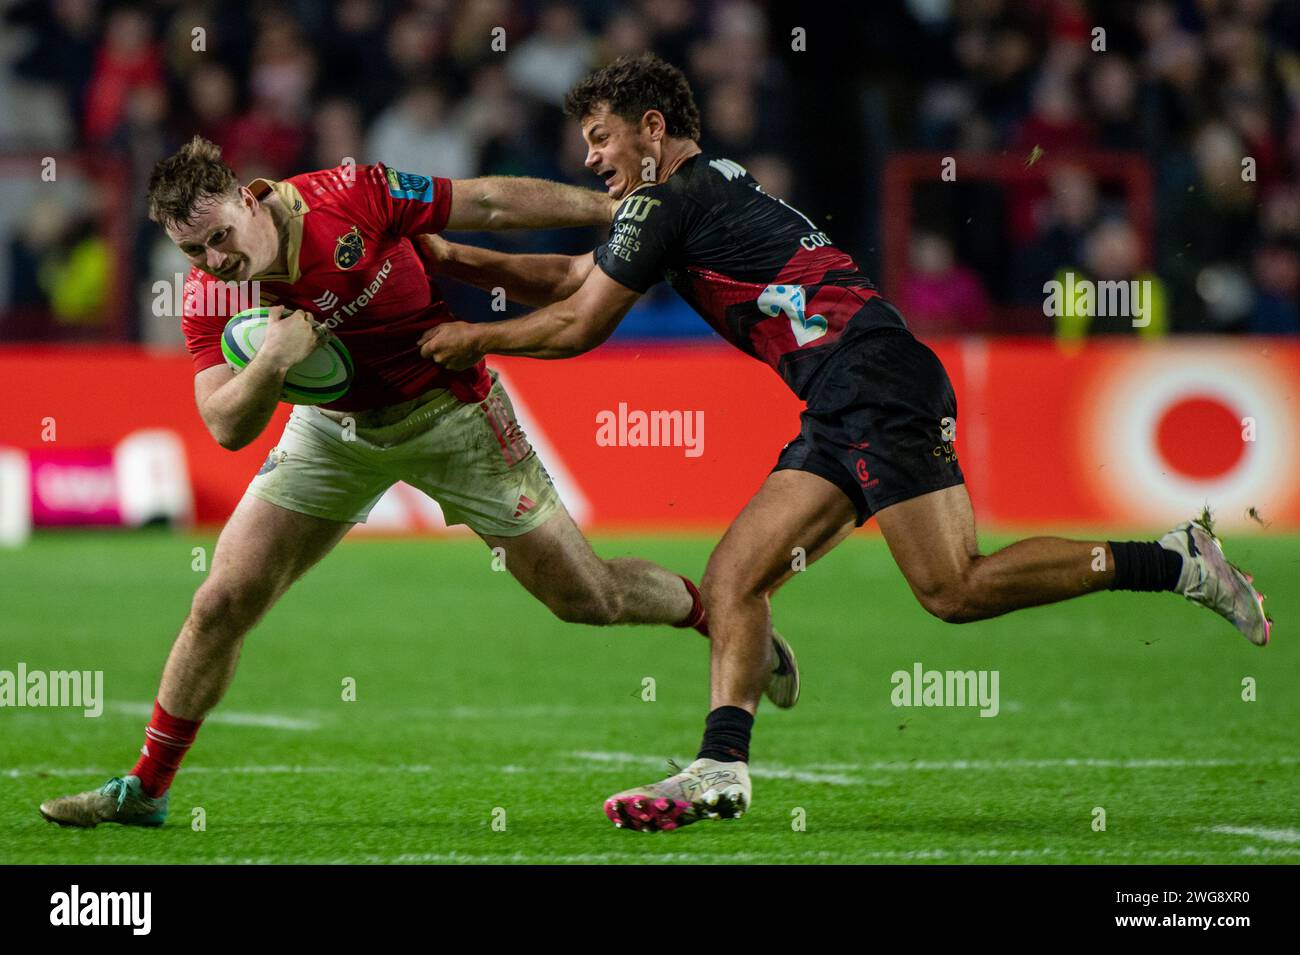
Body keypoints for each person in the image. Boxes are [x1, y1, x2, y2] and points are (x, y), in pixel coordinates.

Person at [417, 54, 1271, 833]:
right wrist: (459, 256)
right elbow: (577, 278)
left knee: (953, 588)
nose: (593, 160)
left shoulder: (670, 199)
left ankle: (1178, 560)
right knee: (733, 578)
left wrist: (477, 338)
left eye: (602, 139)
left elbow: (579, 322)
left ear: (652, 129)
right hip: (848, 392)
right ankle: (722, 768)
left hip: (873, 382)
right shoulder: (691, 196)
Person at [38, 135, 799, 829]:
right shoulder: (210, 294)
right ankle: (147, 788)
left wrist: (616, 210)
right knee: (221, 599)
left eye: (220, 237)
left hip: (450, 408)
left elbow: (490, 201)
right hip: (333, 431)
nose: (214, 259)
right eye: (194, 249)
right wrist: (270, 361)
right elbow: (225, 426)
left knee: (586, 597)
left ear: (250, 196)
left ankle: (718, 621)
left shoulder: (352, 195)